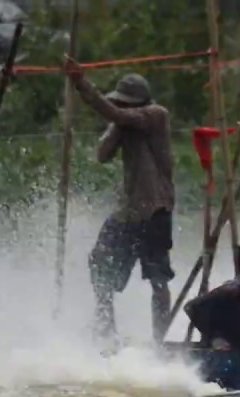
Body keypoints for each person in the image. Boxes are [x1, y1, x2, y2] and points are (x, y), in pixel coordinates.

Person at [63, 57, 174, 346]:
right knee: (99, 263)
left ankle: (158, 341)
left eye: (126, 103)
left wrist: (81, 84)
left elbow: (121, 116)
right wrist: (117, 125)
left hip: (155, 210)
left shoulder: (155, 114)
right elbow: (102, 154)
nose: (122, 108)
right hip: (128, 212)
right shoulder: (123, 123)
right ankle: (105, 327)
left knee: (158, 278)